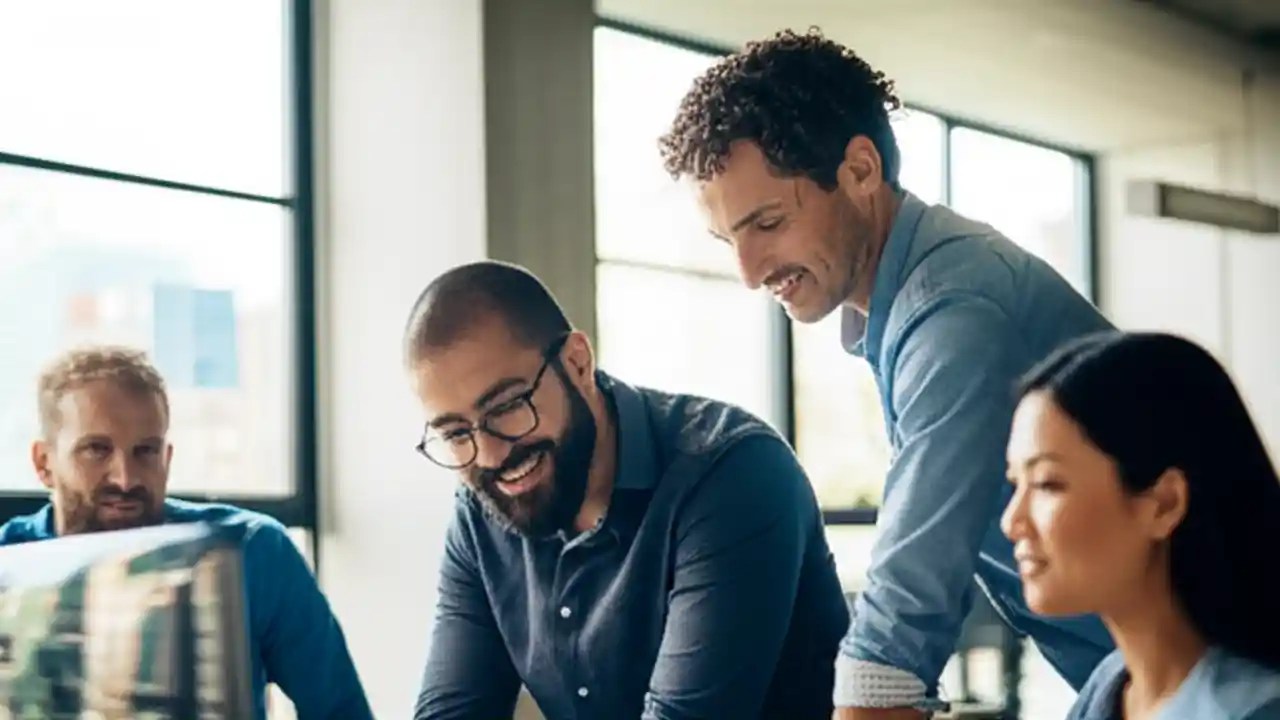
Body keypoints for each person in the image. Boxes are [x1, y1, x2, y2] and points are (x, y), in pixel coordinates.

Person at [659, 27, 1117, 717]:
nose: (749, 272)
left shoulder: (951, 306)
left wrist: (873, 691)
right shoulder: (913, 301)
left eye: (769, 223)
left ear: (861, 170)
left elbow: (912, 589)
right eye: (731, 240)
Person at [408, 260, 850, 720]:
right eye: (456, 433)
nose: (491, 455)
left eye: (507, 407)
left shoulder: (733, 475)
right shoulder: (483, 510)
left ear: (577, 363)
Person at [0, 346, 374, 720]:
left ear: (167, 458)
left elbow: (341, 712)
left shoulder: (254, 551)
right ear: (43, 463)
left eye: (145, 451)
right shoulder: (8, 565)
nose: (125, 478)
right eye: (97, 450)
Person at [1003, 332, 1280, 720]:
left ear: (1164, 504)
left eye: (1048, 484)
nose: (1011, 522)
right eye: (1016, 484)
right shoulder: (1108, 688)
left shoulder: (1255, 709)